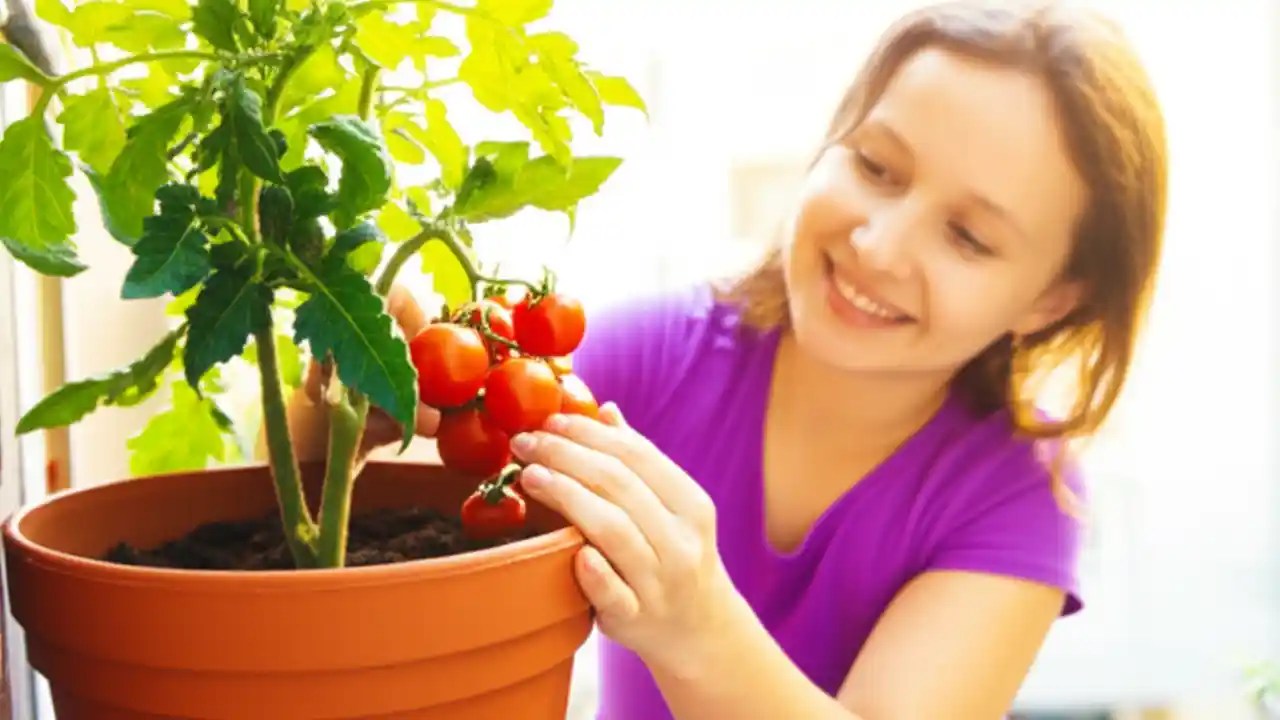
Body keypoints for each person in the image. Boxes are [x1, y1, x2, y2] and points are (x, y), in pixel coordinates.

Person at [289, 1, 1168, 717]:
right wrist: (347, 399)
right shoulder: (651, 358)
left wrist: (698, 625)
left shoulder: (1018, 494)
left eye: (969, 237)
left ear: (1054, 299)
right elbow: (352, 467)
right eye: (875, 164)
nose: (879, 242)